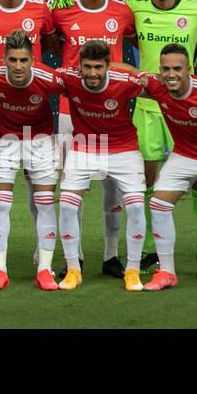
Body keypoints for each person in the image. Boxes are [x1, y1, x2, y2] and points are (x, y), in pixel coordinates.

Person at [112, 45, 197, 295]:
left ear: (189, 69)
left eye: (177, 68)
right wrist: (97, 64)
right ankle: (167, 271)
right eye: (165, 69)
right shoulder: (156, 86)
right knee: (158, 204)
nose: (171, 74)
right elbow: (131, 71)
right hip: (184, 154)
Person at [50, 0, 137, 278]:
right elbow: (48, 37)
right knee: (71, 185)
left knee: (113, 185)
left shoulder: (121, 11)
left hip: (111, 110)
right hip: (69, 110)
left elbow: (139, 41)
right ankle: (76, 257)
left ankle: (111, 255)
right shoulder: (62, 10)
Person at [0, 31, 61, 291]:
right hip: (3, 141)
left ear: (33, 60)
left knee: (44, 205)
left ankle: (44, 269)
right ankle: (0, 270)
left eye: (23, 60)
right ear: (3, 60)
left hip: (40, 142)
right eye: (13, 60)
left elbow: (79, 89)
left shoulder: (48, 77)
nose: (18, 66)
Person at [54, 40, 147, 291]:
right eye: (87, 67)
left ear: (108, 65)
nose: (92, 73)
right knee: (66, 206)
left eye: (98, 67)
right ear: (79, 66)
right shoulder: (68, 78)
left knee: (137, 207)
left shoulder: (125, 82)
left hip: (123, 148)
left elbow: (162, 87)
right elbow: (35, 78)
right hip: (84, 146)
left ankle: (133, 270)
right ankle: (73, 269)